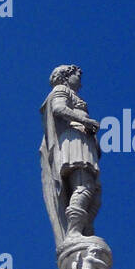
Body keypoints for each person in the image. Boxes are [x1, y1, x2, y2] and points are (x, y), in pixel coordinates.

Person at [39, 64, 101, 242]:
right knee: (83, 185)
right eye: (77, 76)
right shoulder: (61, 89)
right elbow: (58, 109)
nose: (80, 83)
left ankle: (84, 229)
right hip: (73, 141)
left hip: (82, 140)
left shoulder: (72, 93)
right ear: (65, 76)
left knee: (94, 195)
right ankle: (74, 231)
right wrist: (84, 120)